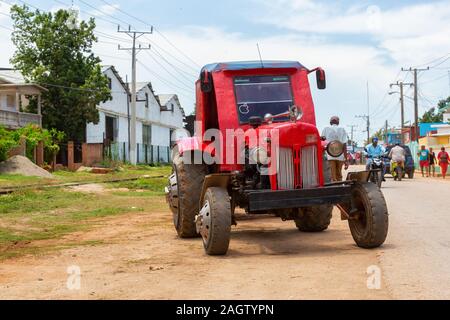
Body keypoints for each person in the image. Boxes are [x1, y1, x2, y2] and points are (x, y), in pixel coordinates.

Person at [322, 116, 349, 182]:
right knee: (339, 174)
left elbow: (322, 141)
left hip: (329, 155)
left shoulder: (325, 128)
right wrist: (346, 159)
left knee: (332, 175)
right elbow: (344, 145)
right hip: (340, 155)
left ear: (330, 122)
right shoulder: (342, 129)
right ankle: (340, 186)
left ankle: (334, 187)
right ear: (338, 122)